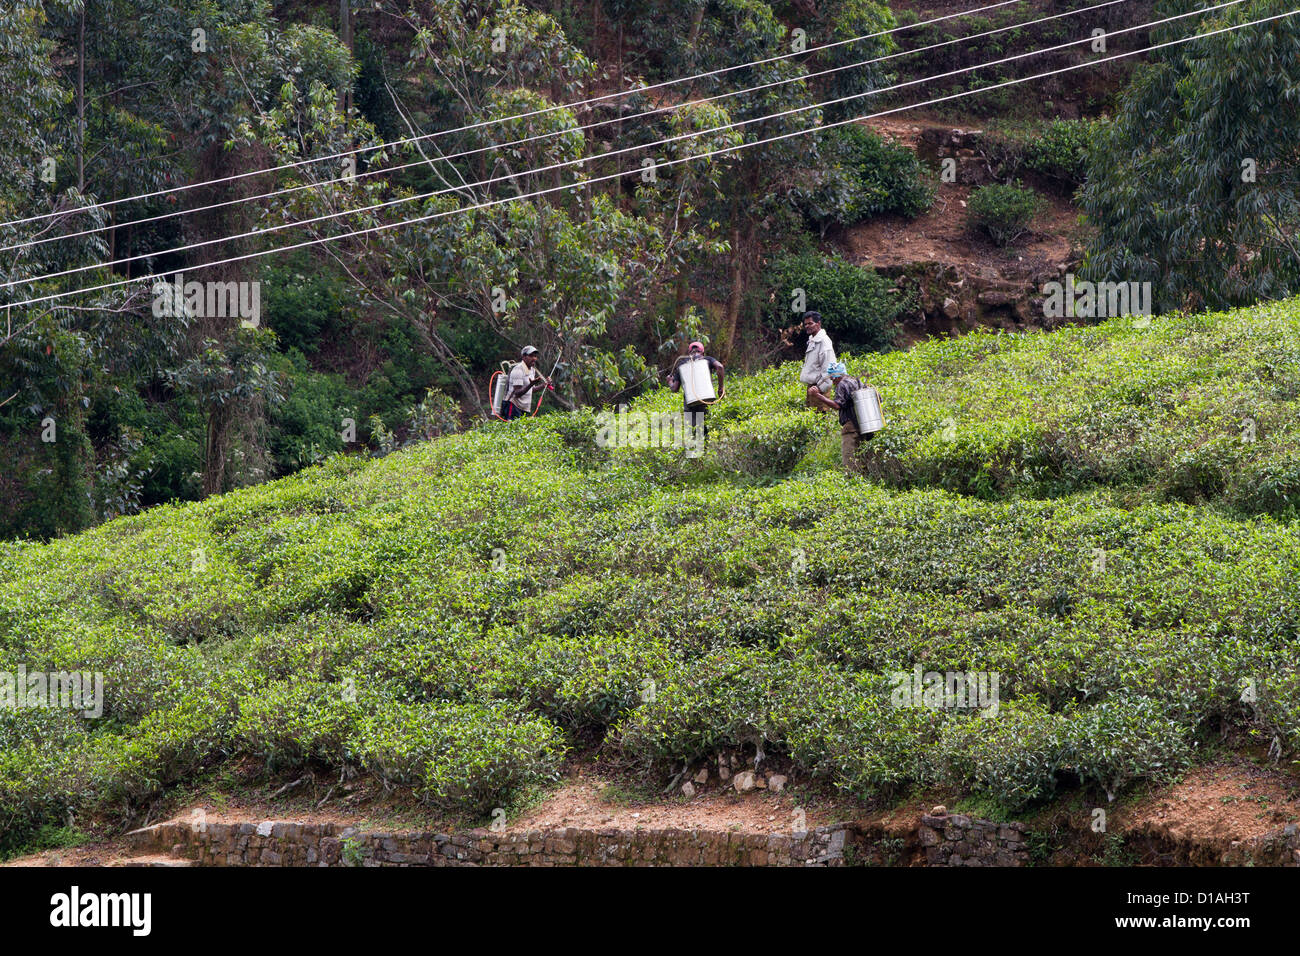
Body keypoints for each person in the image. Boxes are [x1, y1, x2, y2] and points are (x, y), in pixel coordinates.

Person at [667, 341, 725, 449]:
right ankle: (705, 452)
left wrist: (670, 381)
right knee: (702, 425)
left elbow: (675, 389)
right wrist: (720, 388)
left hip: (690, 402)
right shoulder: (707, 360)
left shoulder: (682, 363)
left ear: (689, 352)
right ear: (702, 352)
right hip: (705, 399)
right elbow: (720, 367)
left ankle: (695, 455)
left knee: (692, 429)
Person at [820, 361, 873, 476]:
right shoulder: (855, 381)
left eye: (832, 378)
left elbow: (837, 405)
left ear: (836, 376)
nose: (832, 381)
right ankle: (864, 482)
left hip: (851, 427)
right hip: (863, 425)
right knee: (861, 457)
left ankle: (852, 484)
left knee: (849, 460)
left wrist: (819, 397)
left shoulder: (842, 384)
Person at [799, 312, 837, 412]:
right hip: (812, 387)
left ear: (818, 324)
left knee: (820, 418)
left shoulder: (824, 342)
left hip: (819, 388)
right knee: (811, 418)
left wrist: (820, 389)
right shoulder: (812, 340)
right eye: (805, 324)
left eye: (810, 323)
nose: (807, 326)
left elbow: (829, 369)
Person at [503, 346, 549, 421]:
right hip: (513, 406)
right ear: (524, 357)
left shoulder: (532, 370)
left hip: (524, 408)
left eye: (535, 356)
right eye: (531, 356)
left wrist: (544, 385)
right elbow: (517, 393)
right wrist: (530, 384)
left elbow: (531, 390)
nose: (534, 358)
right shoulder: (518, 370)